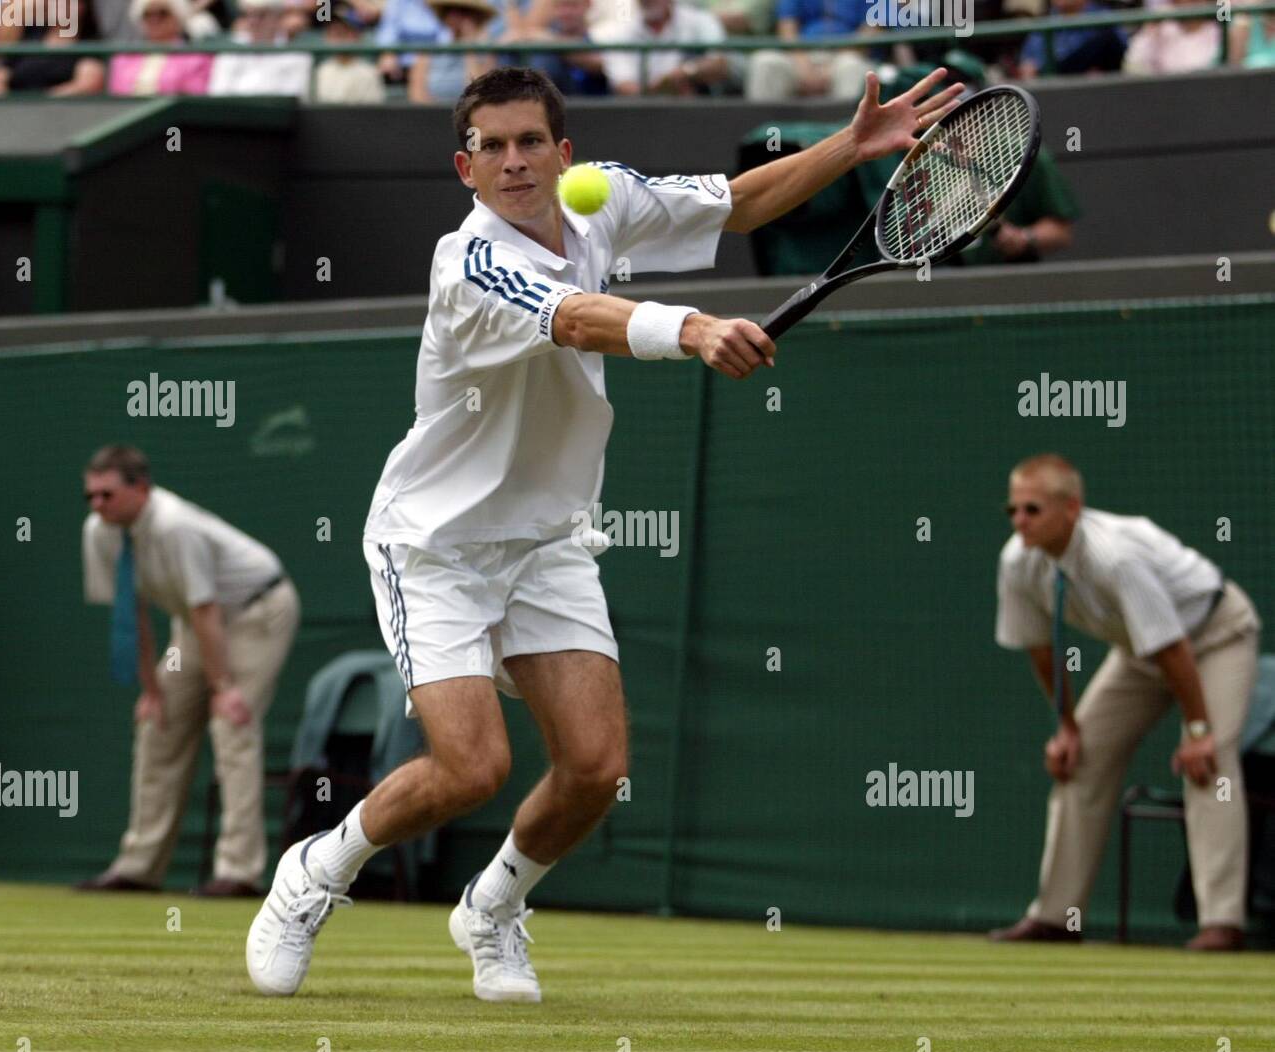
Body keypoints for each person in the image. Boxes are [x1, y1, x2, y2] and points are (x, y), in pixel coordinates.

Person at [245, 64, 963, 1000]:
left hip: (547, 540)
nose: (513, 162)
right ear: (466, 168)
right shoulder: (465, 260)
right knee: (471, 768)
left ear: (562, 153)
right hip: (436, 545)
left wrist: (851, 145)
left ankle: (494, 909)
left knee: (594, 768)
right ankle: (315, 873)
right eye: (492, 147)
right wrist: (696, 327)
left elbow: (741, 204)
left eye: (530, 142)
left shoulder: (606, 202)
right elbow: (575, 319)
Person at [991, 455, 1260, 951]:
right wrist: (1066, 727)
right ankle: (1056, 917)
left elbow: (1174, 650)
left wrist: (1199, 733)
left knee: (1209, 766)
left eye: (1032, 509)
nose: (1019, 521)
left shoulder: (1116, 558)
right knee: (1080, 759)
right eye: (1012, 510)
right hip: (1141, 652)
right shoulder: (1017, 561)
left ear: (1071, 508)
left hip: (1214, 636)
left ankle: (1222, 923)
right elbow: (1041, 649)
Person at [79, 446, 301, 897]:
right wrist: (152, 690)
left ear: (140, 489)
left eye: (107, 495)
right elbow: (131, 613)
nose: (98, 505)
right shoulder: (99, 533)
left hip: (256, 612)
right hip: (197, 624)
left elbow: (205, 608)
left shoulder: (174, 526)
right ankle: (139, 867)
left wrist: (223, 687)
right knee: (156, 724)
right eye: (91, 497)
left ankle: (238, 872)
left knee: (231, 723)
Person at [955, 146, 1078, 265]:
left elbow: (1060, 232)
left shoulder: (1023, 152)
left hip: (1005, 280)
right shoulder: (936, 156)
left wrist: (1024, 238)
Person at [745, 0, 872, 103]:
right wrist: (803, 65)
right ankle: (763, 133)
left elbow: (871, 31)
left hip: (848, 54)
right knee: (766, 62)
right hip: (801, 54)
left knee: (851, 67)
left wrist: (828, 68)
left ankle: (847, 133)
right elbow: (787, 28)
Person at [594, 0, 730, 96]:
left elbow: (720, 65)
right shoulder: (621, 31)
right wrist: (663, 87)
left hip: (696, 113)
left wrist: (685, 72)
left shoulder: (700, 20)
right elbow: (623, 86)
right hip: (642, 117)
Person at [0, 0, 106, 96]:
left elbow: (88, 83)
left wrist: (40, 103)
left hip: (56, 116)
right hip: (12, 114)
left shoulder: (89, 45)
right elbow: (0, 74)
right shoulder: (30, 36)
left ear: (81, 7)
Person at [208, 0, 314, 98]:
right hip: (231, 116)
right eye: (248, 15)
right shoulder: (231, 50)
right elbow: (218, 94)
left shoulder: (297, 56)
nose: (253, 21)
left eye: (261, 15)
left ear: (278, 18)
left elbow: (291, 100)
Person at [108, 0, 216, 95]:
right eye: (147, 14)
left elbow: (193, 99)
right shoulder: (124, 57)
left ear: (177, 15)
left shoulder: (195, 57)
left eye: (162, 13)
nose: (154, 19)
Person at [409, 0, 501, 102]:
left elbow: (477, 92)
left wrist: (469, 47)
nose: (454, 16)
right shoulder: (428, 52)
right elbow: (417, 93)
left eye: (463, 11)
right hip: (433, 113)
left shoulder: (485, 51)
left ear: (474, 16)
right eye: (449, 11)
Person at [1016, 0, 1127, 79]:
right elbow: (1028, 67)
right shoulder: (1043, 24)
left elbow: (1123, 57)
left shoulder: (1105, 20)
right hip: (1054, 91)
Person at [1123, 0, 1222, 75]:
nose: (1189, 3)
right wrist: (1151, 27)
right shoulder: (1161, 29)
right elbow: (1132, 67)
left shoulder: (1219, 31)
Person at [315, 3, 389, 102]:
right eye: (333, 31)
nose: (337, 36)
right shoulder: (320, 71)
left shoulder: (368, 73)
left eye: (343, 31)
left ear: (355, 35)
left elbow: (373, 113)